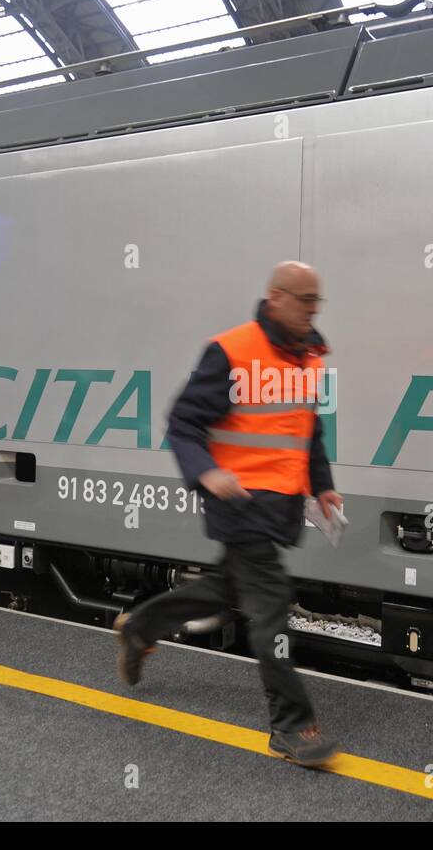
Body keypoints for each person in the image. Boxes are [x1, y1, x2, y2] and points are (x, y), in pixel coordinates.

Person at [114, 261, 343, 769]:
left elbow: (309, 431)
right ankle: (290, 725)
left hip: (278, 507)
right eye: (305, 300)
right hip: (238, 504)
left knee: (224, 590)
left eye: (316, 302)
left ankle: (140, 628)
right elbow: (183, 422)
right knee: (270, 612)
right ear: (276, 296)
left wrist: (322, 487)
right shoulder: (232, 351)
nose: (312, 310)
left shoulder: (309, 360)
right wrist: (207, 474)